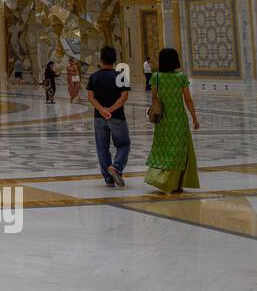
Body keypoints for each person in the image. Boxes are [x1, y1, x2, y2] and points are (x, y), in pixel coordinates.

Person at [144, 47, 201, 194]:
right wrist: (194, 118)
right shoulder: (180, 77)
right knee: (179, 150)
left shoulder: (156, 77)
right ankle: (175, 182)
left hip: (163, 120)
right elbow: (188, 100)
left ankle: (159, 178)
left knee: (163, 149)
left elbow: (154, 99)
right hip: (178, 119)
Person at [86, 45, 130, 188]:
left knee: (102, 148)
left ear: (101, 59)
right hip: (117, 116)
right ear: (114, 60)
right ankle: (116, 167)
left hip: (99, 118)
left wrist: (102, 110)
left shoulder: (94, 76)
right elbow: (124, 96)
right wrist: (110, 110)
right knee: (123, 145)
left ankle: (108, 179)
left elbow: (91, 97)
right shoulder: (121, 76)